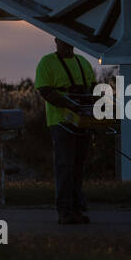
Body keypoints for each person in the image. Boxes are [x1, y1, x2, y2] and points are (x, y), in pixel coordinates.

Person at [34, 37, 96, 224]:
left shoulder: (83, 62)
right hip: (61, 122)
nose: (67, 45)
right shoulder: (47, 62)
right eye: (64, 41)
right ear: (55, 40)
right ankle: (64, 210)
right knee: (65, 167)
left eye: (70, 41)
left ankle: (76, 208)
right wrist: (70, 104)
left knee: (78, 167)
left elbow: (92, 88)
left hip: (83, 121)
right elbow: (45, 91)